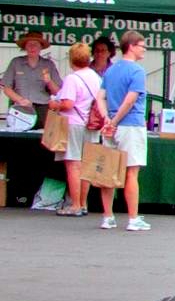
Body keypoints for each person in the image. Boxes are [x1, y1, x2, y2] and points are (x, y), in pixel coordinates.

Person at [98, 30, 151, 232]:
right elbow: (130, 100)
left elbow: (100, 97)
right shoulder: (137, 71)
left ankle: (108, 216)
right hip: (131, 124)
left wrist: (107, 119)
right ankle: (133, 218)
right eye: (142, 45)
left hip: (111, 124)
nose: (144, 49)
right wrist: (116, 120)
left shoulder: (110, 71)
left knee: (108, 171)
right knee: (132, 172)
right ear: (131, 46)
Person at [48, 43, 104, 216]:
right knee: (86, 165)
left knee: (73, 164)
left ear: (72, 59)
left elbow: (68, 104)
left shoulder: (72, 79)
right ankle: (83, 203)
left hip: (74, 123)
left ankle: (75, 205)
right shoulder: (96, 77)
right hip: (92, 125)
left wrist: (54, 104)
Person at [4, 30, 61, 131]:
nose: (32, 47)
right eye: (29, 44)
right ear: (25, 47)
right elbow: (7, 88)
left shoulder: (49, 64)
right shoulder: (16, 62)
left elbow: (57, 92)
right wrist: (20, 100)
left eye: (35, 44)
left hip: (42, 110)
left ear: (41, 47)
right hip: (20, 109)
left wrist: (49, 81)